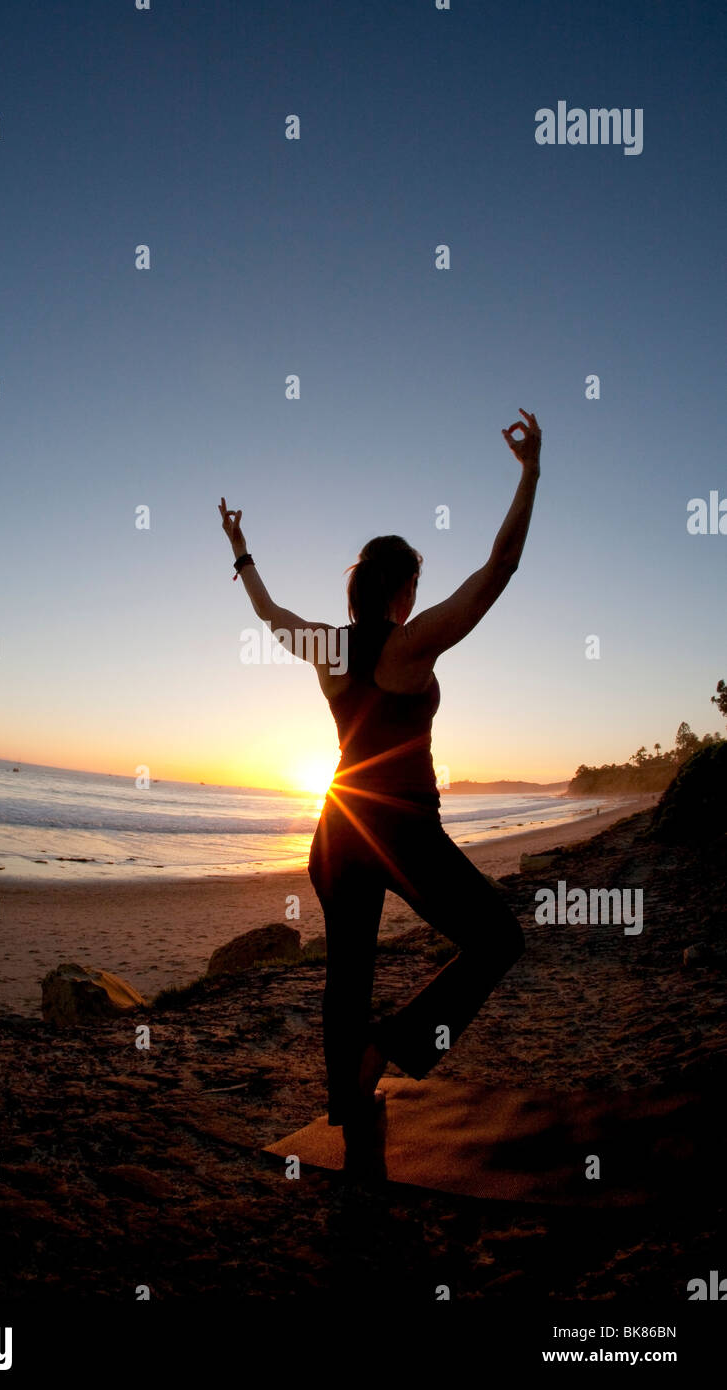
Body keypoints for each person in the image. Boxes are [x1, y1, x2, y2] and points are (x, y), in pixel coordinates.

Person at [219, 408, 541, 1162]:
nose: (414, 595)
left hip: (336, 831)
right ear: (400, 586)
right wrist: (529, 475)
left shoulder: (327, 647)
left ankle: (349, 1107)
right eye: (415, 583)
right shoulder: (410, 643)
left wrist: (241, 550)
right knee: (498, 939)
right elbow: (499, 570)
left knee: (349, 971)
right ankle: (386, 1050)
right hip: (397, 826)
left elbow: (265, 610)